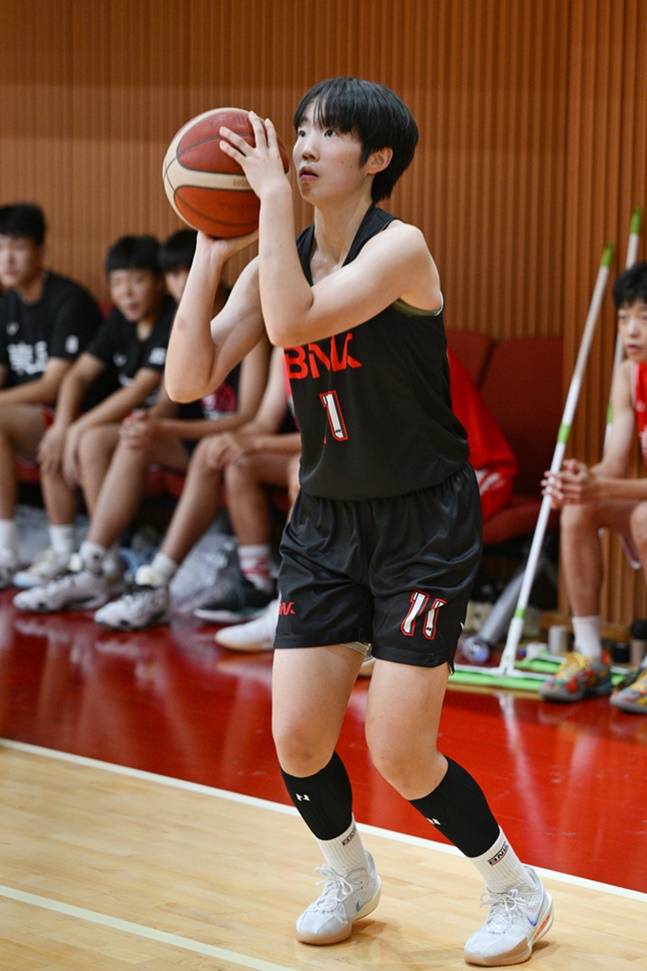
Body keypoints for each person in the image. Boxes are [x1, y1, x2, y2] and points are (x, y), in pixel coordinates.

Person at [165, 77, 553, 964]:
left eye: (328, 132)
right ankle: (349, 871)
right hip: (327, 521)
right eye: (299, 128)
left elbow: (295, 322)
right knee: (297, 737)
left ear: (376, 160)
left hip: (422, 523)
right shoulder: (276, 255)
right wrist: (208, 246)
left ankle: (514, 890)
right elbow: (189, 379)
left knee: (399, 750)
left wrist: (262, 213)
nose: (303, 145)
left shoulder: (400, 248)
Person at [13, 230, 270, 619]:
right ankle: (96, 561)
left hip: (223, 439)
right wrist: (146, 424)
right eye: (173, 274)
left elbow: (248, 416)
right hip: (191, 437)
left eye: (188, 271)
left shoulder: (247, 313)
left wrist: (164, 428)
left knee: (172, 442)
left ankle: (154, 580)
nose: (182, 282)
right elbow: (169, 396)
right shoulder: (183, 319)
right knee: (111, 439)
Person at [217, 347, 518, 652]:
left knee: (316, 474)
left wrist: (261, 444)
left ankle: (310, 610)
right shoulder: (302, 342)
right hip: (402, 466)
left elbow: (359, 433)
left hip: (467, 470)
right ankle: (290, 603)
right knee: (310, 473)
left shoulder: (384, 340)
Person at [12, 235, 175, 606]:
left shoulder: (171, 317)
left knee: (89, 438)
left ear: (158, 282)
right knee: (64, 439)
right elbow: (76, 377)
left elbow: (138, 393)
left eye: (137, 280)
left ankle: (98, 560)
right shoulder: (119, 320)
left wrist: (76, 428)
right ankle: (97, 559)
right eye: (118, 283)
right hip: (132, 428)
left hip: (170, 429)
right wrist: (65, 425)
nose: (127, 292)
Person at [542, 261, 647, 714]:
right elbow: (614, 464)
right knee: (577, 509)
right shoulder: (628, 374)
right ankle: (591, 655)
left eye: (644, 317)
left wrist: (599, 490)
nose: (632, 330)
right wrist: (580, 482)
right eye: (624, 318)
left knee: (642, 515)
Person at [0, 202, 102, 587]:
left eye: (18, 247)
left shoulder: (68, 300)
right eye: (1, 247)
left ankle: (18, 552)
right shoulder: (5, 305)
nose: (7, 258)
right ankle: (10, 551)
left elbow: (54, 384)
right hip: (30, 416)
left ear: (41, 251)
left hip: (74, 413)